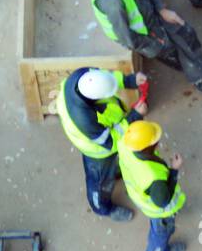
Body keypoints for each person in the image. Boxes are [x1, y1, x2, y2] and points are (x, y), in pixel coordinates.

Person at [56, 67, 148, 221]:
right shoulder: (85, 120)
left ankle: (116, 171)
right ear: (95, 99)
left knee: (114, 165)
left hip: (104, 134)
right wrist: (134, 117)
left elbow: (106, 76)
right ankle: (102, 207)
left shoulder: (83, 76)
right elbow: (111, 141)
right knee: (100, 182)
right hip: (98, 152)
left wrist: (129, 80)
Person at [117, 120, 187, 251]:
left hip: (138, 191)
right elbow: (162, 201)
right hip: (159, 212)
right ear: (147, 148)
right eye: (155, 141)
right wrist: (174, 170)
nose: (158, 141)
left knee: (158, 229)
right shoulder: (154, 178)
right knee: (161, 233)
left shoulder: (125, 143)